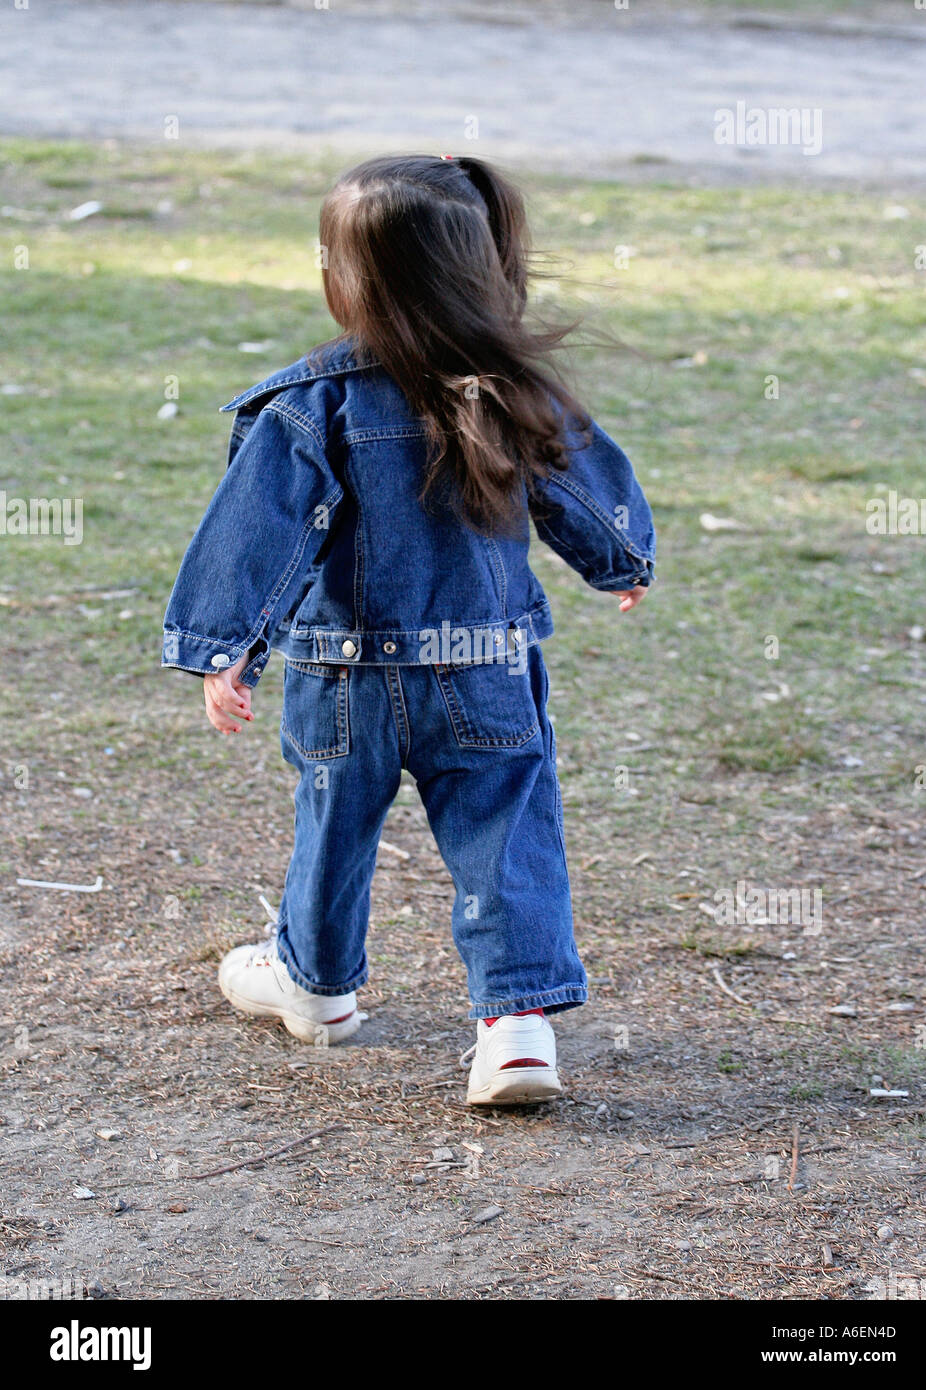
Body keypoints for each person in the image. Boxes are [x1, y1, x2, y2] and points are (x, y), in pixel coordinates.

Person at [162, 153, 655, 1105]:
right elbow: (584, 487)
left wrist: (226, 648)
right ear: (480, 269)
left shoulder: (310, 404)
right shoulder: (513, 391)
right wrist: (620, 562)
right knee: (504, 831)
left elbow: (261, 531)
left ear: (347, 279)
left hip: (339, 674)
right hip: (486, 672)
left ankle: (315, 985)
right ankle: (515, 1028)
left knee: (333, 822)